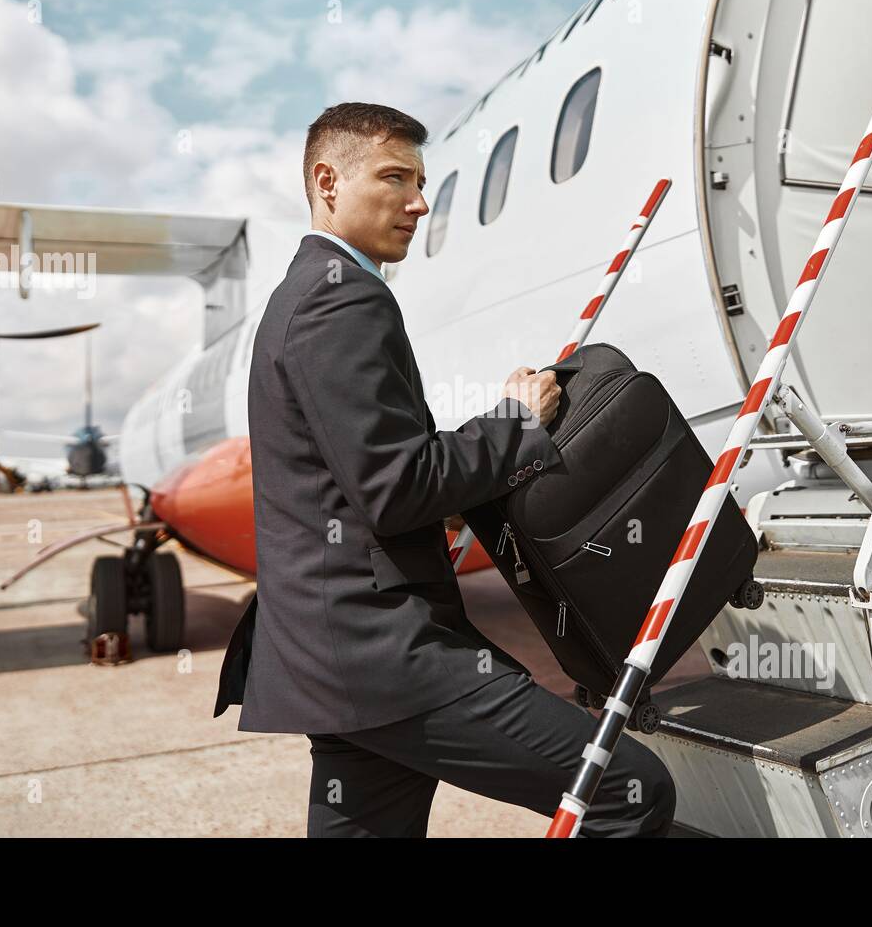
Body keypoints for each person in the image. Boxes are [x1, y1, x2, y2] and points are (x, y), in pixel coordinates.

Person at [215, 101, 676, 837]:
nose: (419, 202)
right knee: (625, 789)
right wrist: (517, 424)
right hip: (382, 655)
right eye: (394, 178)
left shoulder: (307, 294)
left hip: (337, 658)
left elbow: (363, 480)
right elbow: (397, 486)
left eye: (421, 181)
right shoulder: (343, 301)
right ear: (327, 181)